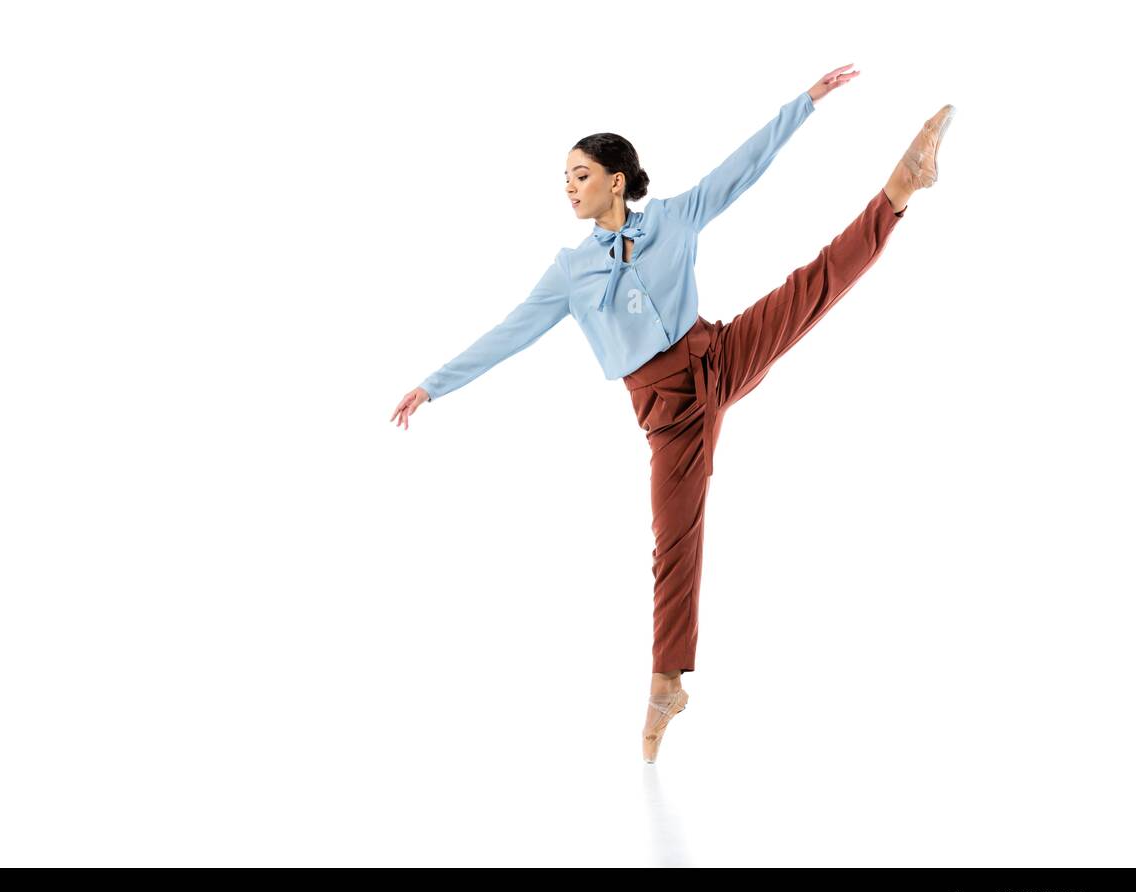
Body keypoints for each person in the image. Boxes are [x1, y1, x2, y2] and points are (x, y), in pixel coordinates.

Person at [390, 64, 956, 764]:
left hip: (715, 355)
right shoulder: (570, 273)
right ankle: (665, 686)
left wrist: (802, 106)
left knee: (809, 289)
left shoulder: (672, 218)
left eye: (581, 174)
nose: (569, 186)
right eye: (565, 177)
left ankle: (903, 183)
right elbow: (508, 332)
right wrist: (432, 385)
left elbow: (738, 172)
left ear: (617, 180)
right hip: (668, 413)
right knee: (674, 546)